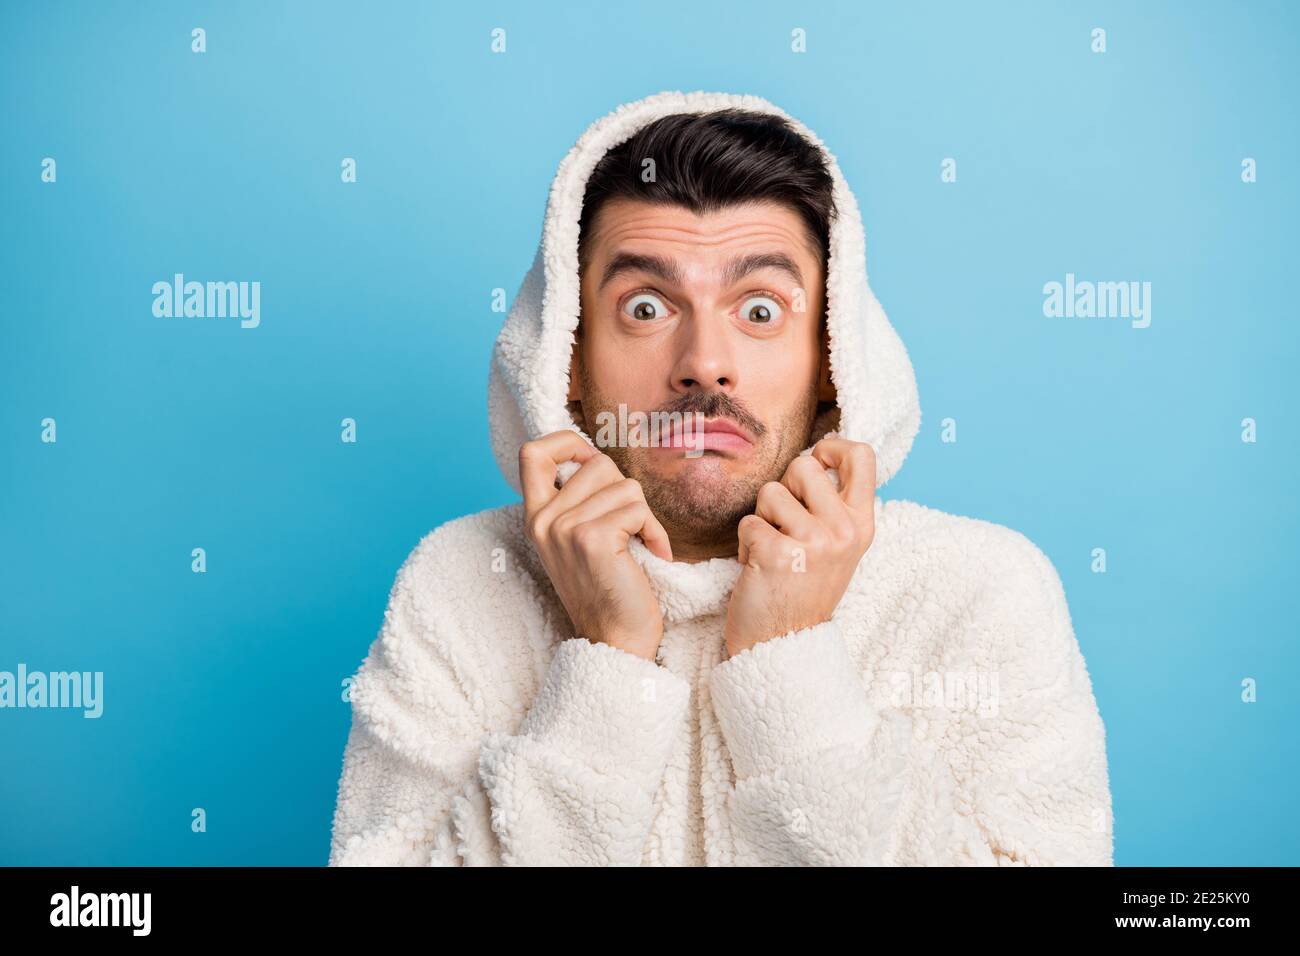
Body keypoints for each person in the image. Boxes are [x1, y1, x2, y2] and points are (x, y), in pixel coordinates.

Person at [327, 89, 1114, 866]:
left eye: (761, 310)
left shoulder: (978, 593)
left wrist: (791, 662)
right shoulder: (463, 585)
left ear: (834, 362)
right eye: (645, 308)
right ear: (565, 359)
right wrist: (608, 661)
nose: (705, 363)